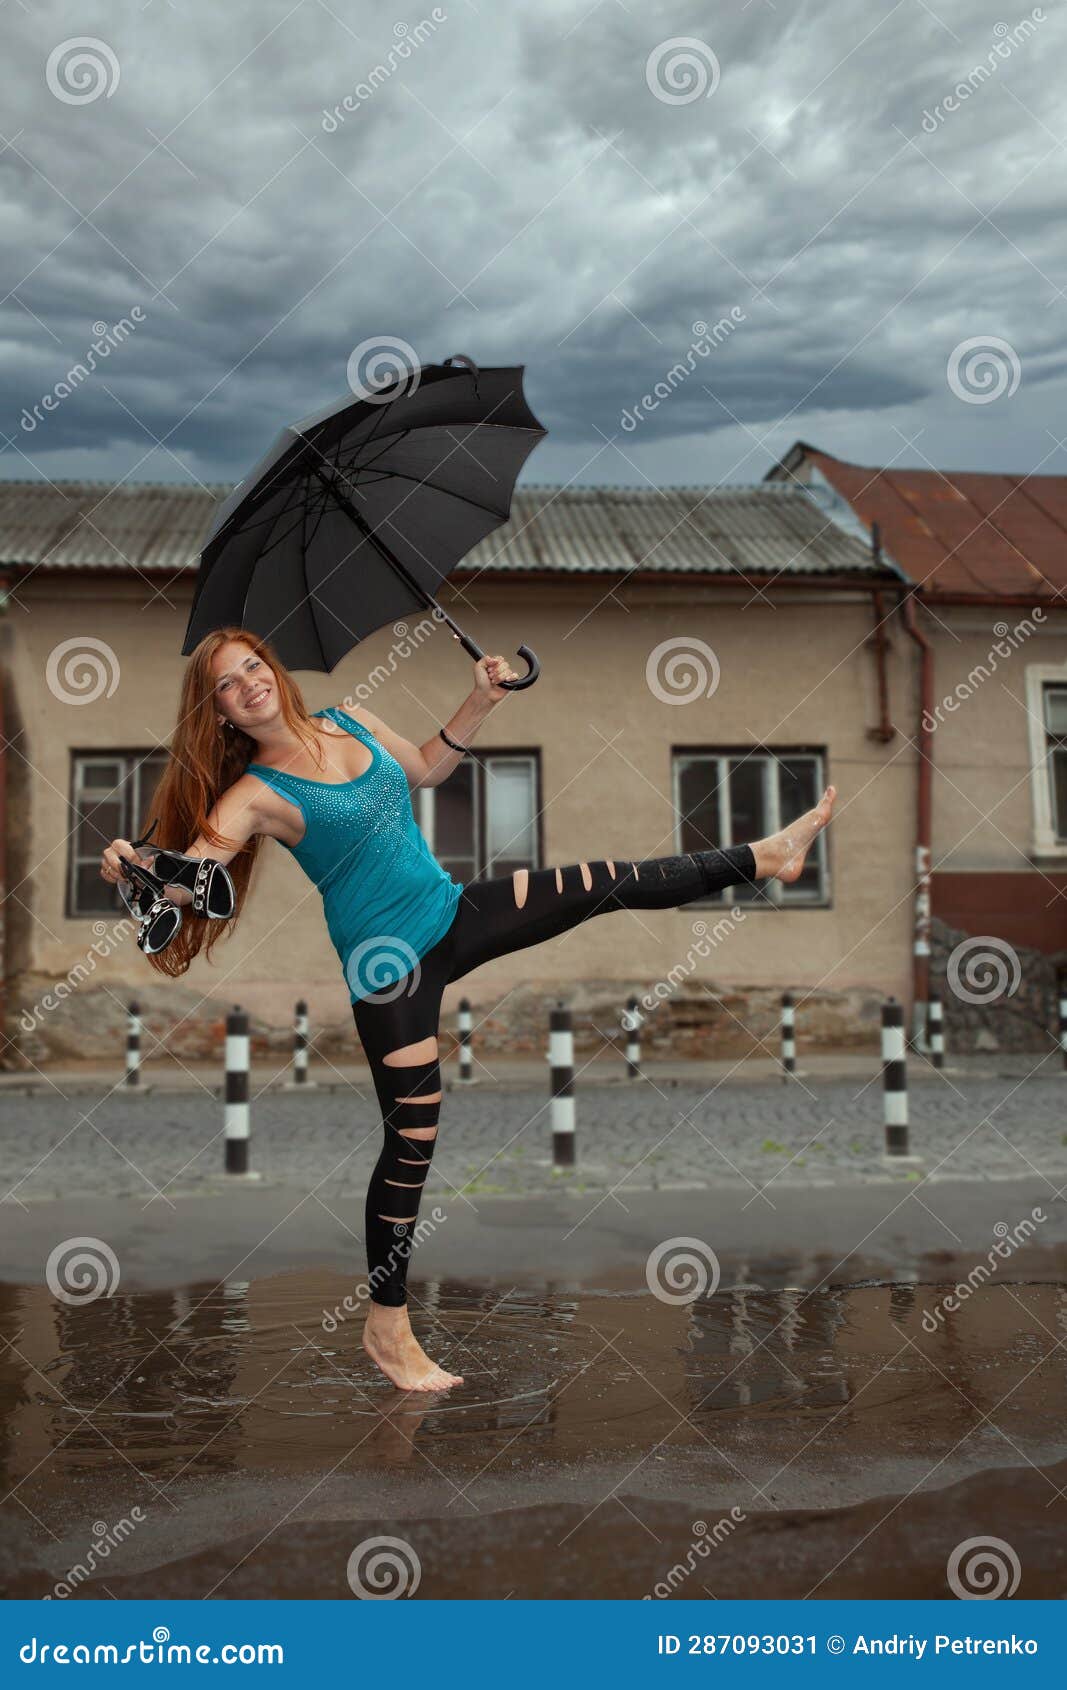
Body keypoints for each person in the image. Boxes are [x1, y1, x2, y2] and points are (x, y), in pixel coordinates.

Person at [101, 626, 836, 1394]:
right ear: (216, 711)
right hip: (387, 967)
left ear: (273, 670)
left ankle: (765, 855)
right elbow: (196, 879)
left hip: (450, 912)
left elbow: (423, 767)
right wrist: (143, 872)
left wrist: (480, 700)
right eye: (228, 682)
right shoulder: (251, 794)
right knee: (413, 1138)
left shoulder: (350, 718)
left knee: (603, 882)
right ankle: (386, 1325)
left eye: (254, 666)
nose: (249, 682)